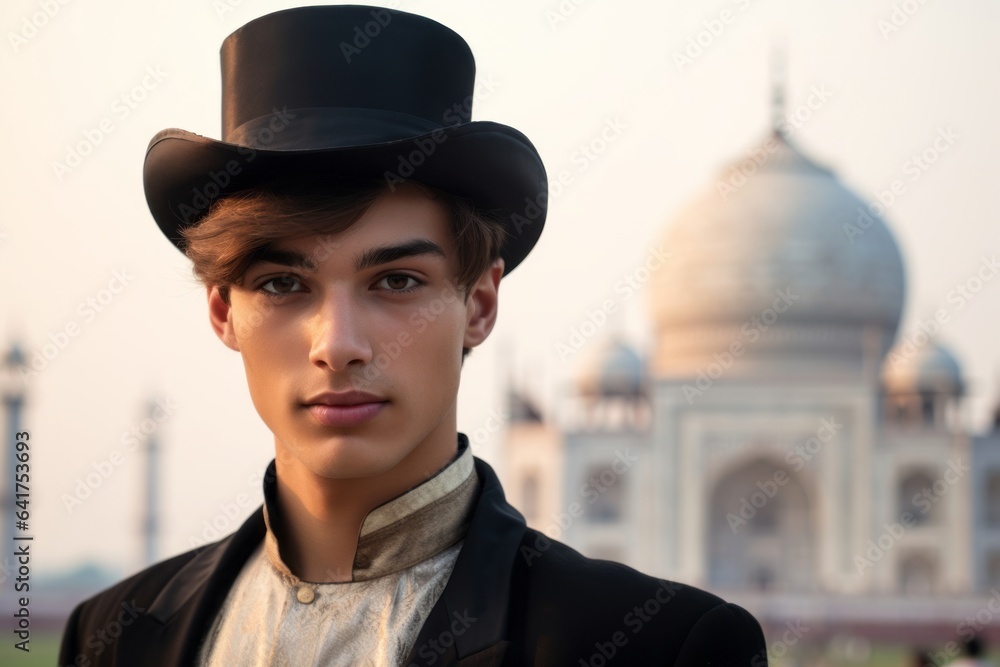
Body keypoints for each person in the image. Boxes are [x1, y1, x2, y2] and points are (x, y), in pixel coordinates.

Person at [57, 5, 768, 665]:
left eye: (396, 281)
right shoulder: (113, 636)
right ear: (222, 312)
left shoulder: (655, 646)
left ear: (480, 304)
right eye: (281, 284)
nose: (339, 344)